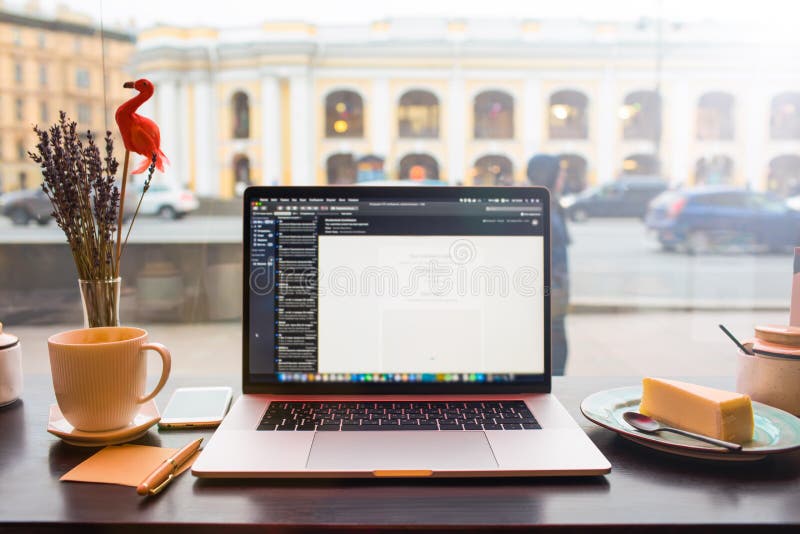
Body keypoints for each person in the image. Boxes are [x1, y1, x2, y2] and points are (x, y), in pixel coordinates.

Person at [526, 155, 570, 375]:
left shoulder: (552, 203)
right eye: (559, 172)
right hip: (550, 294)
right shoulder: (540, 206)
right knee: (555, 352)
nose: (563, 177)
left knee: (557, 349)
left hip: (556, 294)